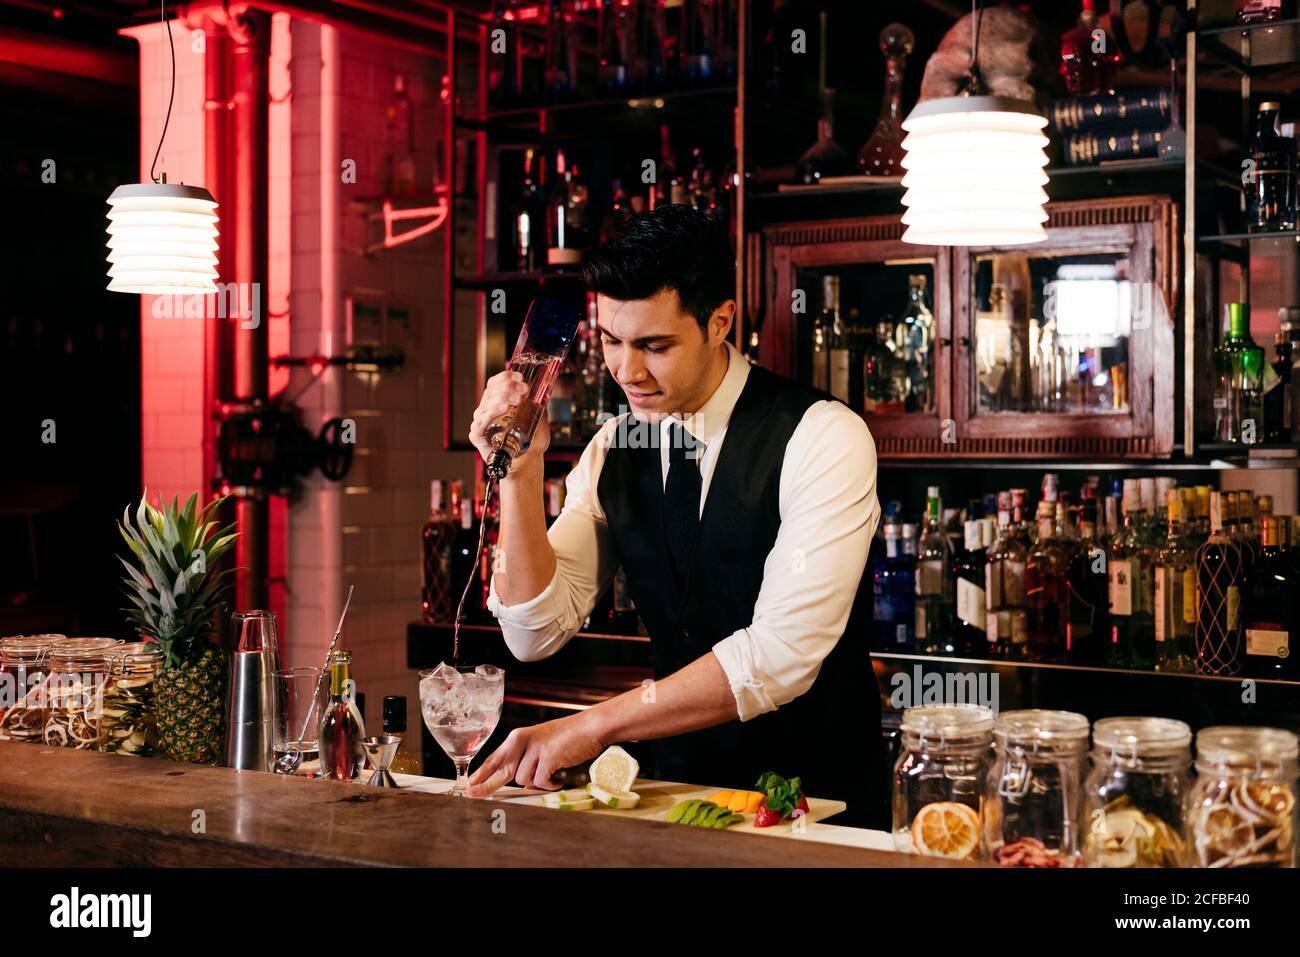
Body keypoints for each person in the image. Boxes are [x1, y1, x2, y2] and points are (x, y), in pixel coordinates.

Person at [465, 204, 886, 828]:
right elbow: (533, 634)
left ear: (720, 322)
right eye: (610, 341)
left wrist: (594, 726)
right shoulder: (614, 448)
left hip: (818, 810)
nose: (627, 371)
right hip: (678, 806)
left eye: (654, 346)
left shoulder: (822, 437)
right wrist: (522, 476)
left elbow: (779, 655)